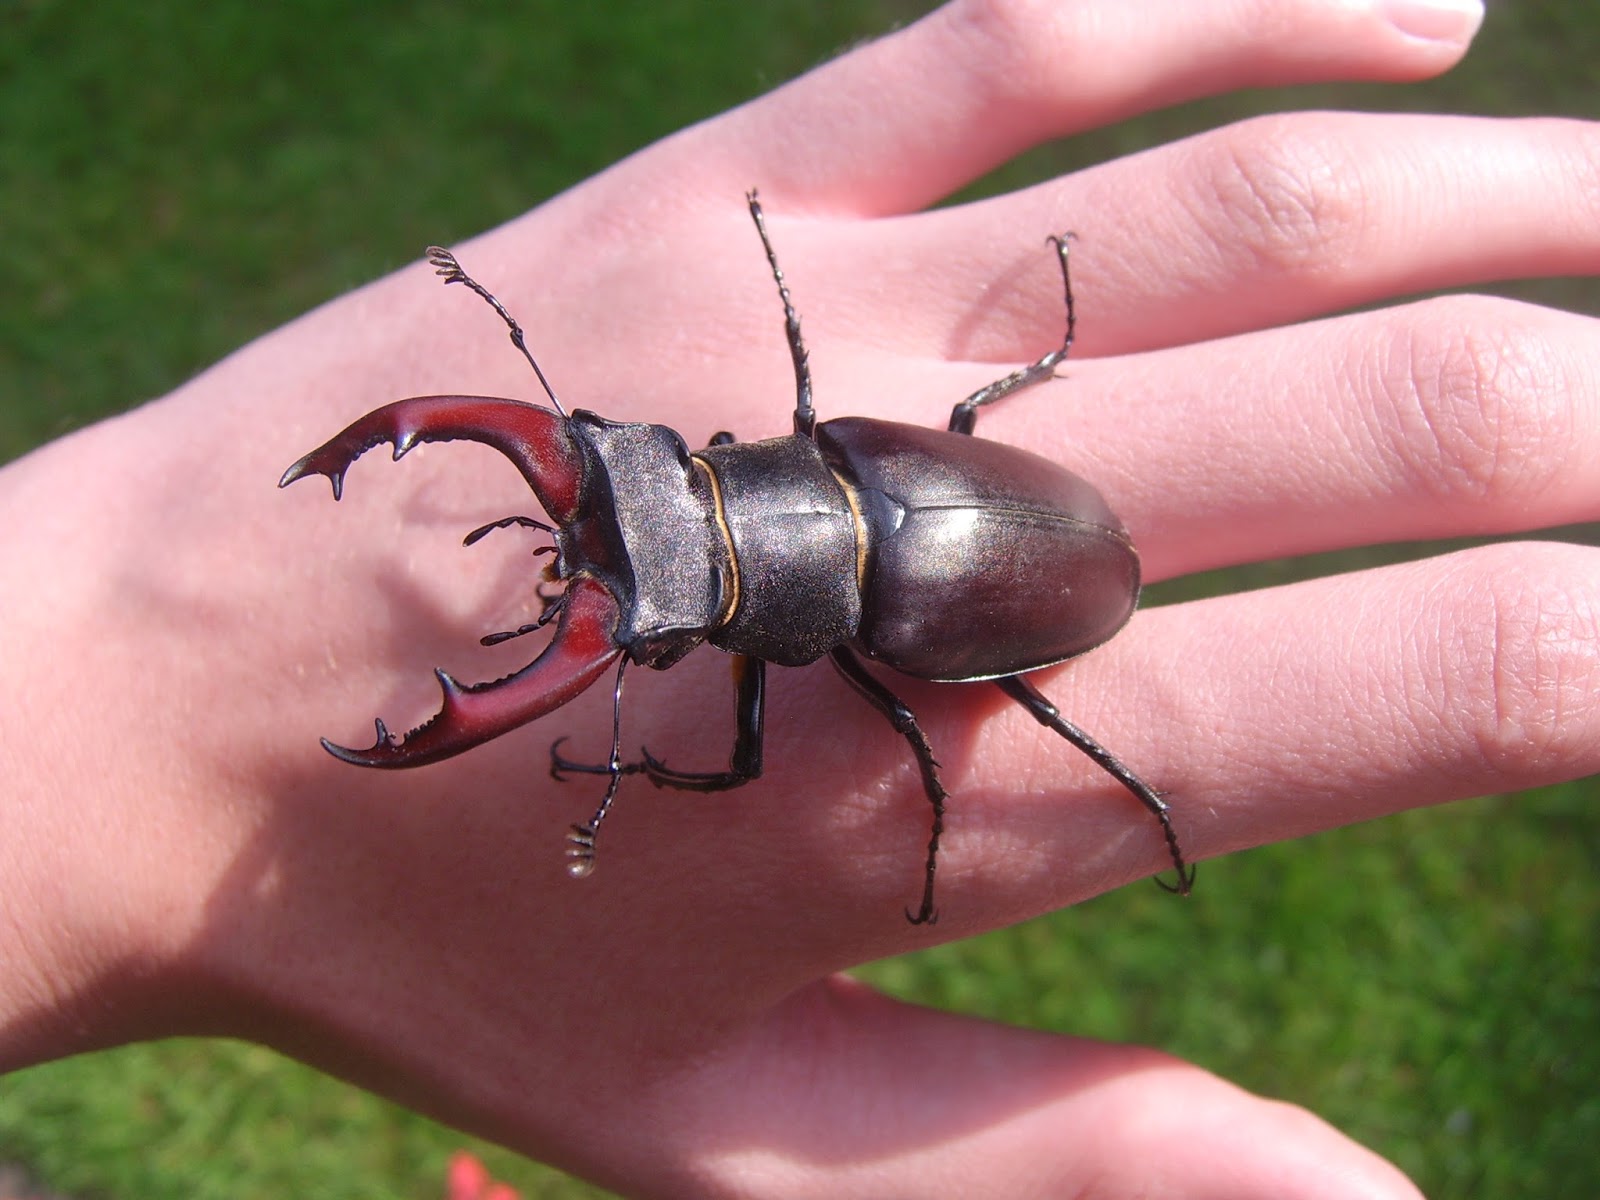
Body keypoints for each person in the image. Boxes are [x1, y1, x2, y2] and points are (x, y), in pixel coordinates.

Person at [1, 0, 1590, 1195]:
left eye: (670, 539)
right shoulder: (843, 454)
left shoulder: (873, 571)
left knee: (964, 714)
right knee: (916, 600)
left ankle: (1116, 759)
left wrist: (640, 759)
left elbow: (764, 754)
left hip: (1017, 572)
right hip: (934, 523)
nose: (626, 554)